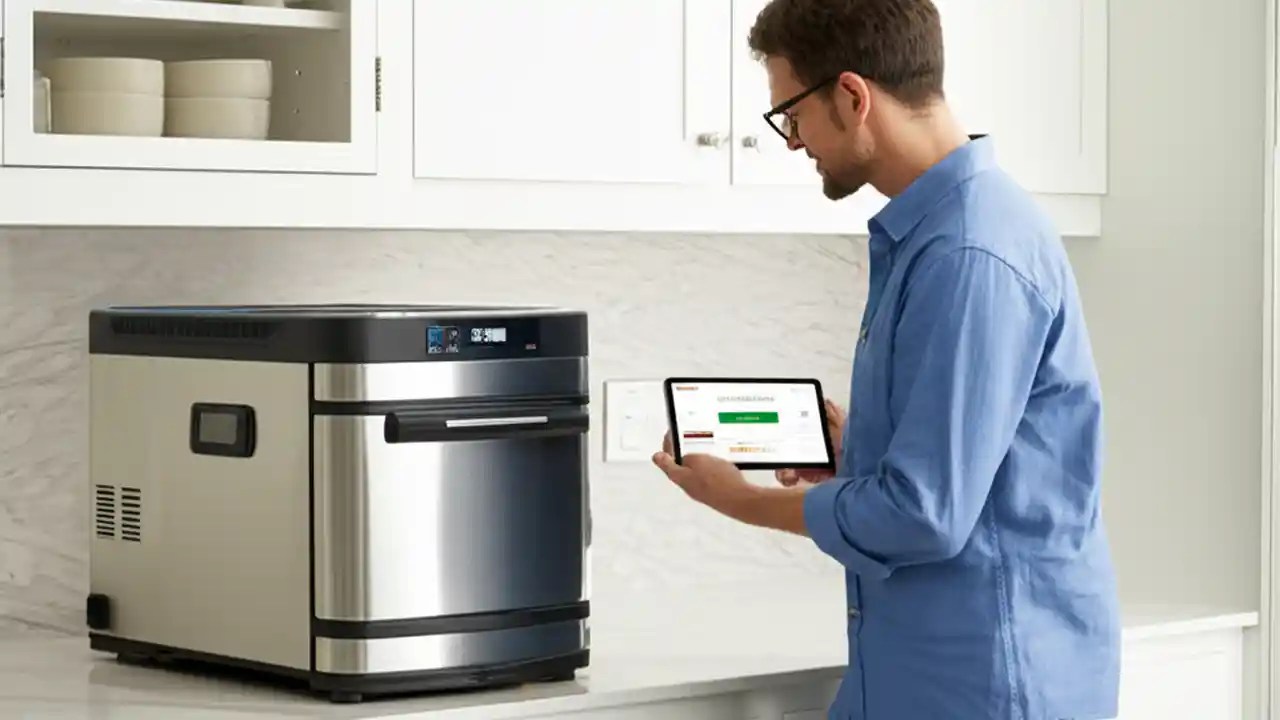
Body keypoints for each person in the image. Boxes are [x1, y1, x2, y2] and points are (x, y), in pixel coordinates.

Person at [650, 1, 1122, 718]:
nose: (791, 141)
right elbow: (969, 474)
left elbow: (926, 516)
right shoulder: (933, 235)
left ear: (851, 96)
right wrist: (859, 458)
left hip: (989, 680)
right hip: (925, 667)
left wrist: (740, 500)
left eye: (791, 116)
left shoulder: (970, 251)